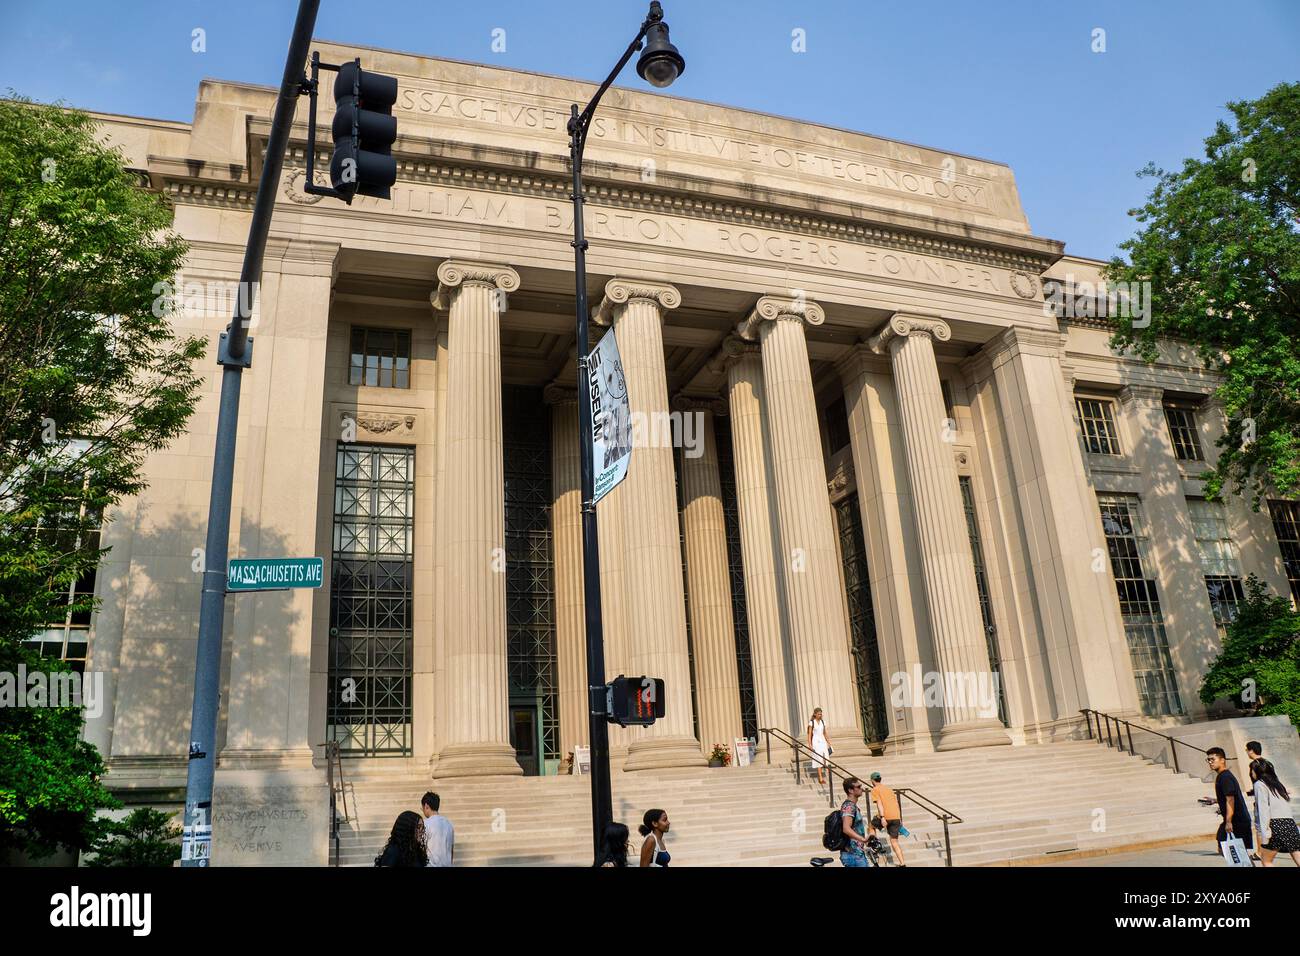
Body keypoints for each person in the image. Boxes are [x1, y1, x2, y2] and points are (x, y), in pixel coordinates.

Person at [1249, 758, 1300, 867]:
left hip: (1275, 824)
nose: (1251, 773)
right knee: (1297, 856)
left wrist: (1265, 834)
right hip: (1290, 824)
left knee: (1266, 861)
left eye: (1252, 770)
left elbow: (1263, 810)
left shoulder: (1259, 784)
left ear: (1257, 771)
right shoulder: (1277, 784)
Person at [1208, 747, 1253, 863]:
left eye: (1212, 759)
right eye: (1208, 760)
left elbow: (1230, 800)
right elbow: (1228, 797)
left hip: (1236, 821)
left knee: (1239, 854)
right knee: (1236, 853)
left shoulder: (1225, 777)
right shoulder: (1223, 776)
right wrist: (1217, 800)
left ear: (1222, 760)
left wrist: (1228, 821)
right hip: (1236, 820)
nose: (1210, 762)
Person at [867, 771, 906, 866]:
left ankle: (874, 845)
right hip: (896, 816)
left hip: (885, 816)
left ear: (872, 780)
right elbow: (896, 804)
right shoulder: (889, 789)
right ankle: (902, 863)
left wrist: (882, 817)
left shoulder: (875, 789)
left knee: (871, 826)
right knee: (894, 841)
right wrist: (899, 819)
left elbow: (879, 803)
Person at [838, 777, 875, 867]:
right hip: (853, 855)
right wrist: (863, 839)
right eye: (858, 787)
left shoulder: (852, 806)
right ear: (850, 790)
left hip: (856, 853)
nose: (861, 788)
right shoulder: (849, 806)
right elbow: (846, 828)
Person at [420, 791, 454, 867]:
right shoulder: (449, 824)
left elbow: (420, 849)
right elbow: (451, 851)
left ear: (426, 806)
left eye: (422, 808)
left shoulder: (425, 824)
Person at [807, 707, 832, 787]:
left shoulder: (823, 722)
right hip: (816, 742)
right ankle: (820, 778)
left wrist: (829, 742)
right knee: (818, 758)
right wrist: (810, 744)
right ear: (815, 714)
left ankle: (828, 773)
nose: (820, 715)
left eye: (821, 714)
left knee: (826, 757)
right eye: (818, 714)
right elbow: (809, 734)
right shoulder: (812, 722)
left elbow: (825, 733)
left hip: (822, 741)